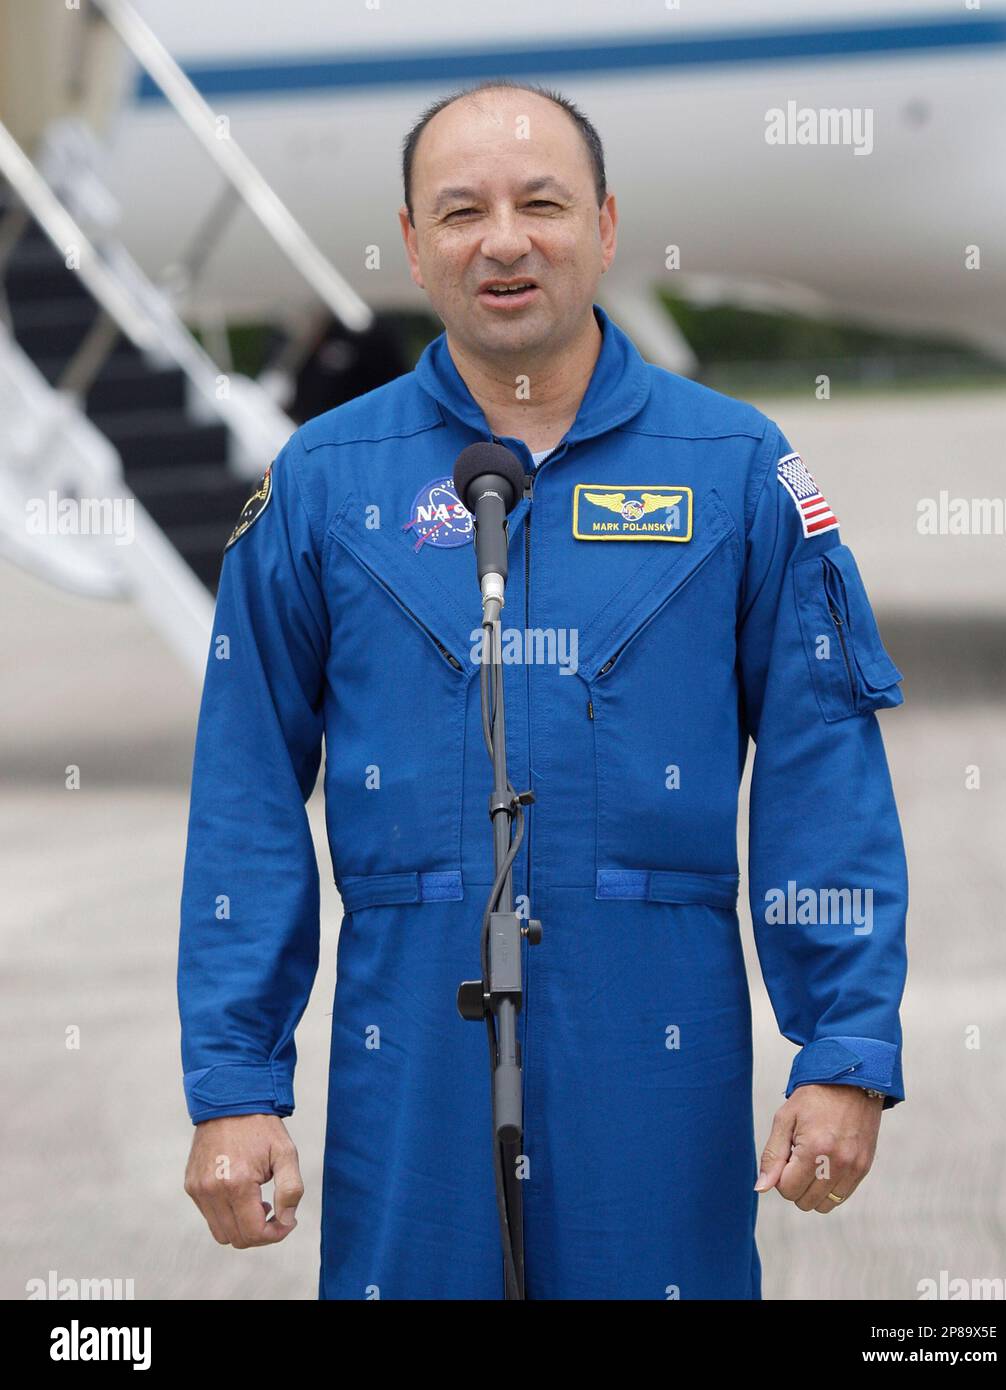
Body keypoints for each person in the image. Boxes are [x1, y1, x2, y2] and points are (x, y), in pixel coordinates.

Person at [179, 79, 907, 1300]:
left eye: (543, 203)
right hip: (406, 1051)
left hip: (657, 1049)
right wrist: (235, 1084)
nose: (504, 239)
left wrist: (843, 1048)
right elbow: (245, 794)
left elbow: (820, 772)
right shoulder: (322, 482)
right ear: (414, 245)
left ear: (608, 227)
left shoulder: (733, 470)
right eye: (460, 211)